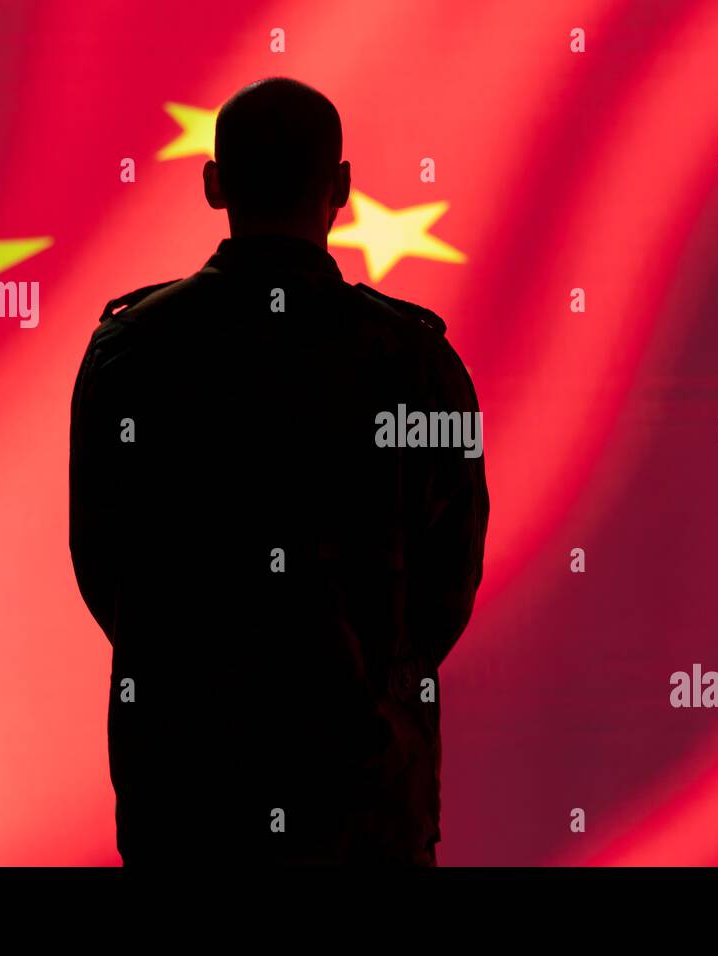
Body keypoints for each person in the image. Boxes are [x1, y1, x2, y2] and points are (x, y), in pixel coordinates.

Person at [69, 77, 488, 866]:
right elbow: (448, 583)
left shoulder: (131, 353)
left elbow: (104, 564)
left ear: (214, 183)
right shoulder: (416, 361)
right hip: (365, 799)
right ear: (341, 187)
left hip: (187, 795)